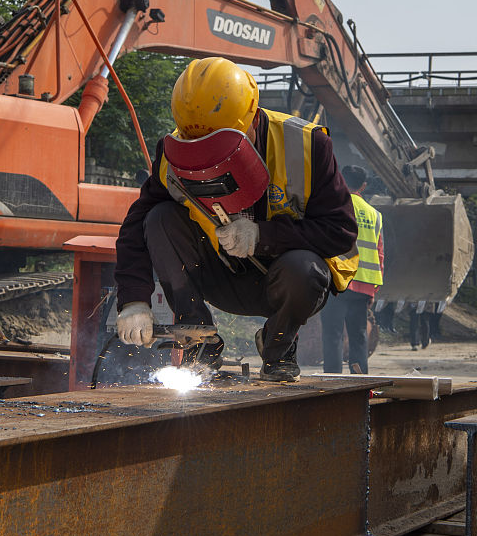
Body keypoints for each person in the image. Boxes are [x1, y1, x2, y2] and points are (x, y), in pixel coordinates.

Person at [114, 57, 359, 382]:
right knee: (159, 217)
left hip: (285, 284)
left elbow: (340, 232)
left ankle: (278, 345)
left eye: (221, 147)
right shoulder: (172, 151)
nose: (208, 159)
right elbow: (136, 225)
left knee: (306, 269)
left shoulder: (307, 145)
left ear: (254, 120)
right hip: (219, 275)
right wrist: (133, 299)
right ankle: (199, 340)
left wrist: (263, 235)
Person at [320, 165, 384, 374]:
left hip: (337, 283)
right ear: (363, 186)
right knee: (358, 337)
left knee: (333, 335)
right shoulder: (375, 214)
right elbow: (380, 254)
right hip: (364, 284)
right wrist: (373, 288)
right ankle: (359, 380)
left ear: (339, 179)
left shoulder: (331, 207)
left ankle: (332, 383)